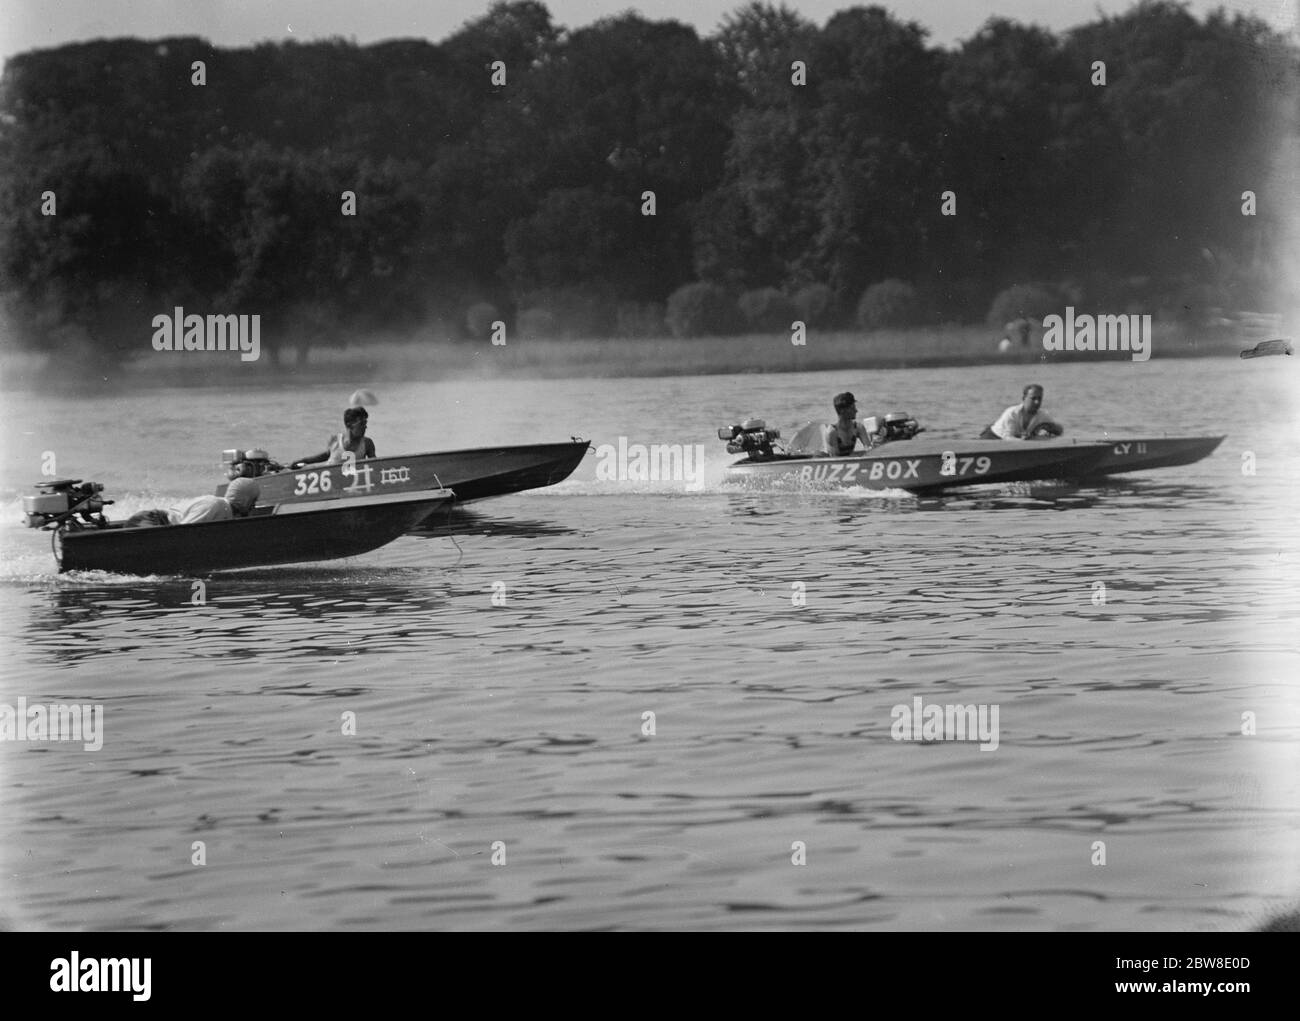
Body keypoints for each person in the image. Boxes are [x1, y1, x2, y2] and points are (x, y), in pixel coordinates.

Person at [126, 478, 261, 527]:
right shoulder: (214, 505)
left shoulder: (228, 513)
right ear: (244, 500)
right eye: (253, 501)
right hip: (148, 522)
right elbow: (185, 532)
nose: (253, 506)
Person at [291, 407, 376, 468]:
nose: (365, 427)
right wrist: (303, 460)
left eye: (365, 423)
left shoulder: (367, 444)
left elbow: (376, 466)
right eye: (361, 424)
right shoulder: (335, 440)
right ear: (348, 425)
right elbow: (325, 456)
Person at [986, 384, 1064, 439]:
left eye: (1039, 399)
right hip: (993, 438)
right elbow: (1008, 439)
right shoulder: (1012, 413)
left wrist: (1050, 428)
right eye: (1033, 398)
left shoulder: (1043, 415)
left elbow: (1059, 431)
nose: (1037, 402)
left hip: (1016, 442)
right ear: (1024, 398)